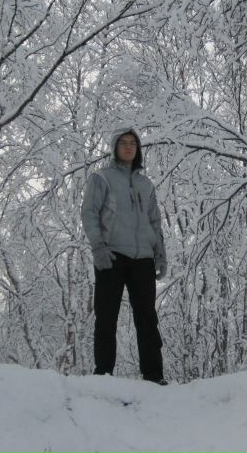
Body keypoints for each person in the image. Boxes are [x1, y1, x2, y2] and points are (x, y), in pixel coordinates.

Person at [81, 127, 168, 384]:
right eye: (123, 143)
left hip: (143, 259)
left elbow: (155, 221)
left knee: (147, 318)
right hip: (112, 256)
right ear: (115, 148)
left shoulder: (145, 184)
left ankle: (154, 376)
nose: (129, 147)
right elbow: (89, 213)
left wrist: (160, 255)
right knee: (106, 316)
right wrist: (98, 248)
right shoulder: (101, 178)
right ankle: (103, 375)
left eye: (133, 143)